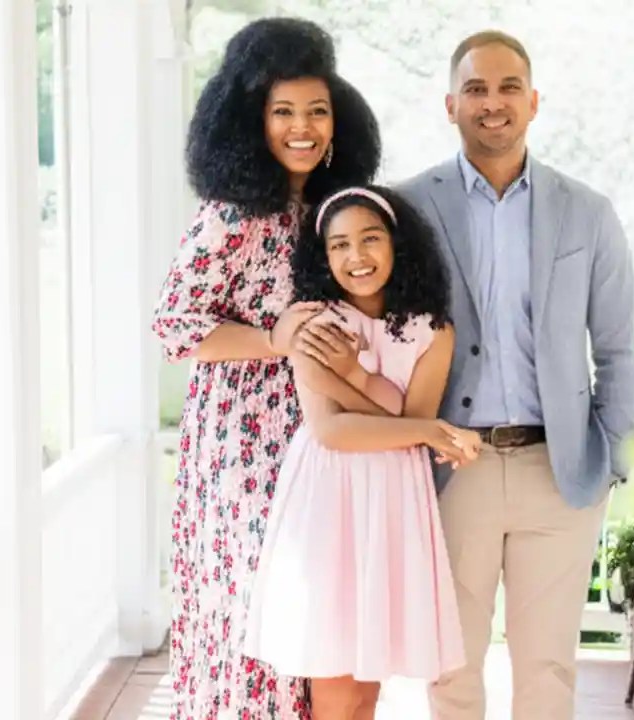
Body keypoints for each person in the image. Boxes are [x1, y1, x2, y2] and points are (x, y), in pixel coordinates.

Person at [396, 30, 634, 719]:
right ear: (451, 105)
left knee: (548, 672)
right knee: (451, 668)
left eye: (508, 88)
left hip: (558, 472)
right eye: (475, 89)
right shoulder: (406, 208)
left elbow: (618, 351)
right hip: (452, 468)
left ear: (533, 102)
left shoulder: (587, 213)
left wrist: (612, 462)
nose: (492, 103)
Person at [150, 18, 384, 720]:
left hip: (323, 435)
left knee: (320, 620)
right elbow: (174, 325)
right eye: (283, 111)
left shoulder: (332, 210)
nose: (302, 128)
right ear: (252, 119)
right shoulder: (230, 215)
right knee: (260, 612)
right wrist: (272, 338)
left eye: (317, 111)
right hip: (242, 449)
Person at [244, 185, 477, 720]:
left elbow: (413, 421)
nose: (357, 256)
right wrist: (421, 429)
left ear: (397, 243)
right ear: (324, 256)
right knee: (334, 676)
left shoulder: (431, 330)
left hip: (393, 501)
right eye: (339, 245)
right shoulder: (313, 321)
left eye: (370, 239)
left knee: (368, 683)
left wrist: (352, 375)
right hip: (331, 499)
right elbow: (331, 431)